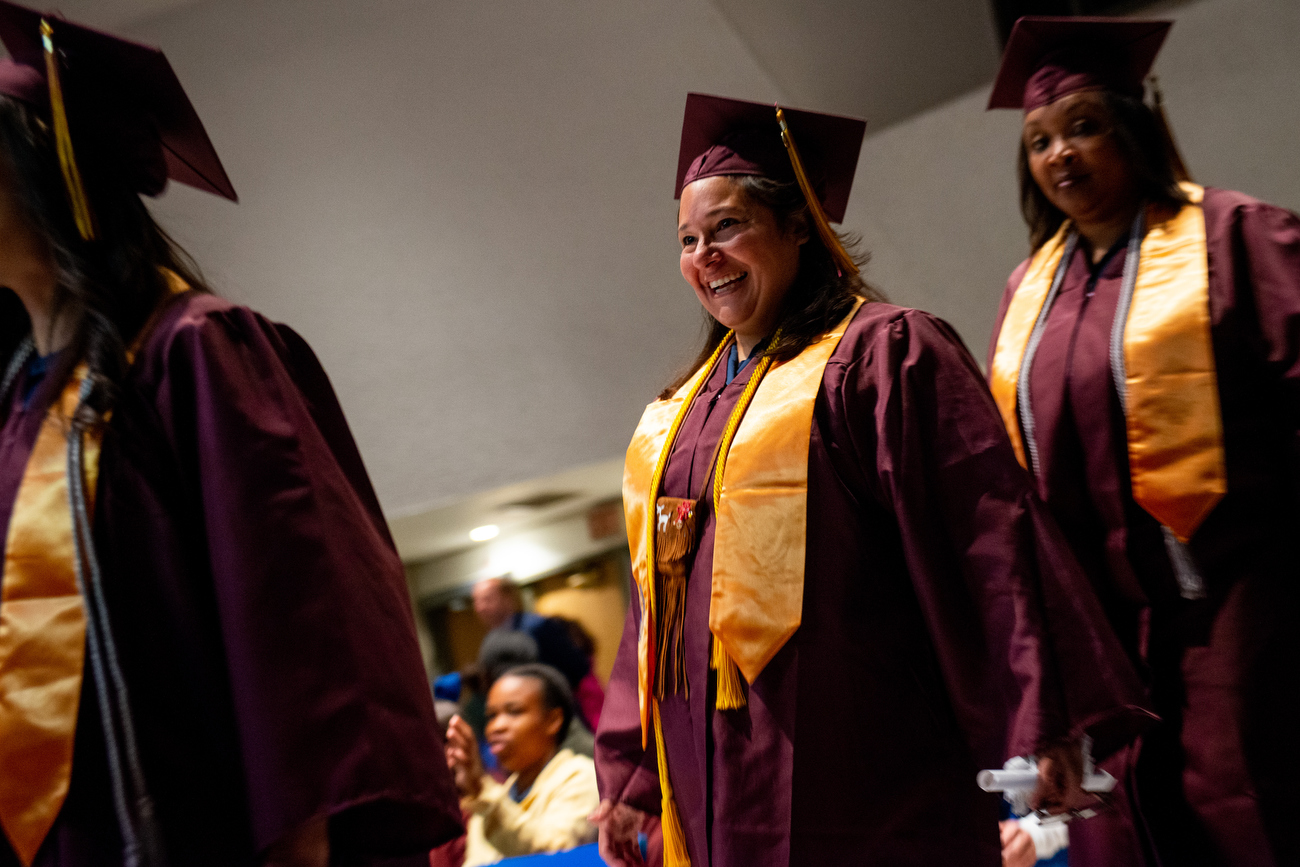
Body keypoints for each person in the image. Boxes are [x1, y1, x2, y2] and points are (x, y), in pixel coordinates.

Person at [593, 91, 1154, 867]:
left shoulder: (887, 356)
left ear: (800, 225)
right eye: (688, 238)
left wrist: (1042, 711)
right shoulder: (673, 420)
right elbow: (650, 618)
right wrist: (627, 775)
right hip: (710, 786)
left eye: (727, 226)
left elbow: (988, 537)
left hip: (865, 778)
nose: (704, 256)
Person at [0, 4, 461, 866]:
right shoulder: (22, 403)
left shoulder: (196, 352)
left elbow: (301, 628)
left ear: (50, 174)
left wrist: (302, 844)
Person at [984, 16, 1300, 867]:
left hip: (1235, 605)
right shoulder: (1030, 293)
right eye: (1041, 139)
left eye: (1084, 126)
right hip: (1108, 637)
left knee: (1250, 809)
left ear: (1135, 124)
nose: (1062, 155)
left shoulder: (1233, 235)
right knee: (1129, 828)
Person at [445, 664, 599, 865]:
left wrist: (483, 791)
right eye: (492, 716)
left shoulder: (581, 776)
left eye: (514, 712)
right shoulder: (496, 795)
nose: (496, 727)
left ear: (553, 720)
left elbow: (556, 855)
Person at [471, 577, 593, 694]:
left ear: (507, 599)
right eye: (476, 600)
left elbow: (578, 667)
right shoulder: (489, 641)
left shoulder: (538, 626)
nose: (480, 607)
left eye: (487, 599)